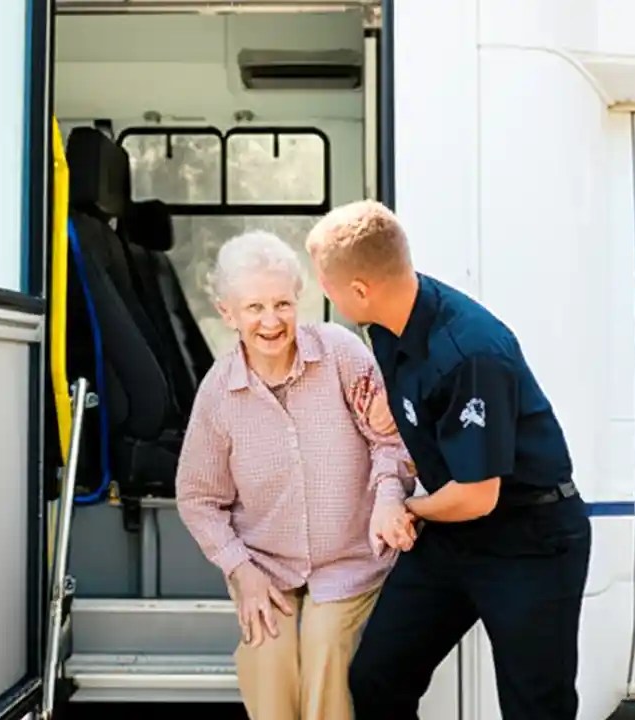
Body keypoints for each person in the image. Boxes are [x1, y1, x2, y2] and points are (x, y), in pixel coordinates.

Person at [304, 200, 593, 720]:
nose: (323, 292)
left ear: (361, 290)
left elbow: (477, 496)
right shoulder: (390, 320)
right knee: (378, 679)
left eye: (326, 283)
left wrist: (405, 510)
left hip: (529, 539)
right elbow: (418, 407)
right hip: (454, 536)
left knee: (536, 710)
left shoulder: (469, 352)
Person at [175, 230, 418, 720]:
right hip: (265, 566)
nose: (271, 321)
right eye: (254, 308)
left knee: (327, 656)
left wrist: (390, 495)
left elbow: (389, 441)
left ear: (299, 299)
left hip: (350, 559)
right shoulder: (218, 392)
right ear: (228, 313)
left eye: (282, 304)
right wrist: (241, 571)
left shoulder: (342, 353)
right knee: (268, 658)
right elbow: (198, 497)